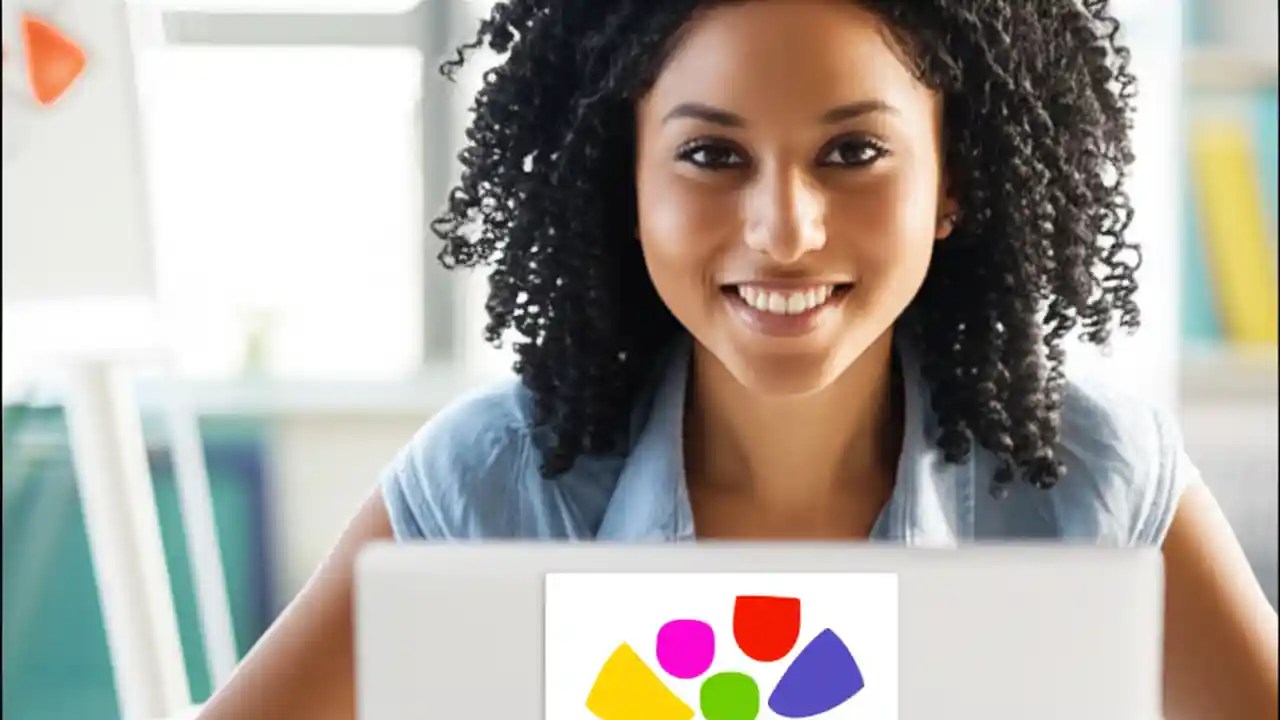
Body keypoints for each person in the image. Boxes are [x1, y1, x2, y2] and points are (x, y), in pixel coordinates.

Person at [196, 1, 1279, 718]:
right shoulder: (490, 480)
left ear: (952, 181)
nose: (783, 230)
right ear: (626, 180)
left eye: (852, 152)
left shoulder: (1094, 479)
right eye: (710, 155)